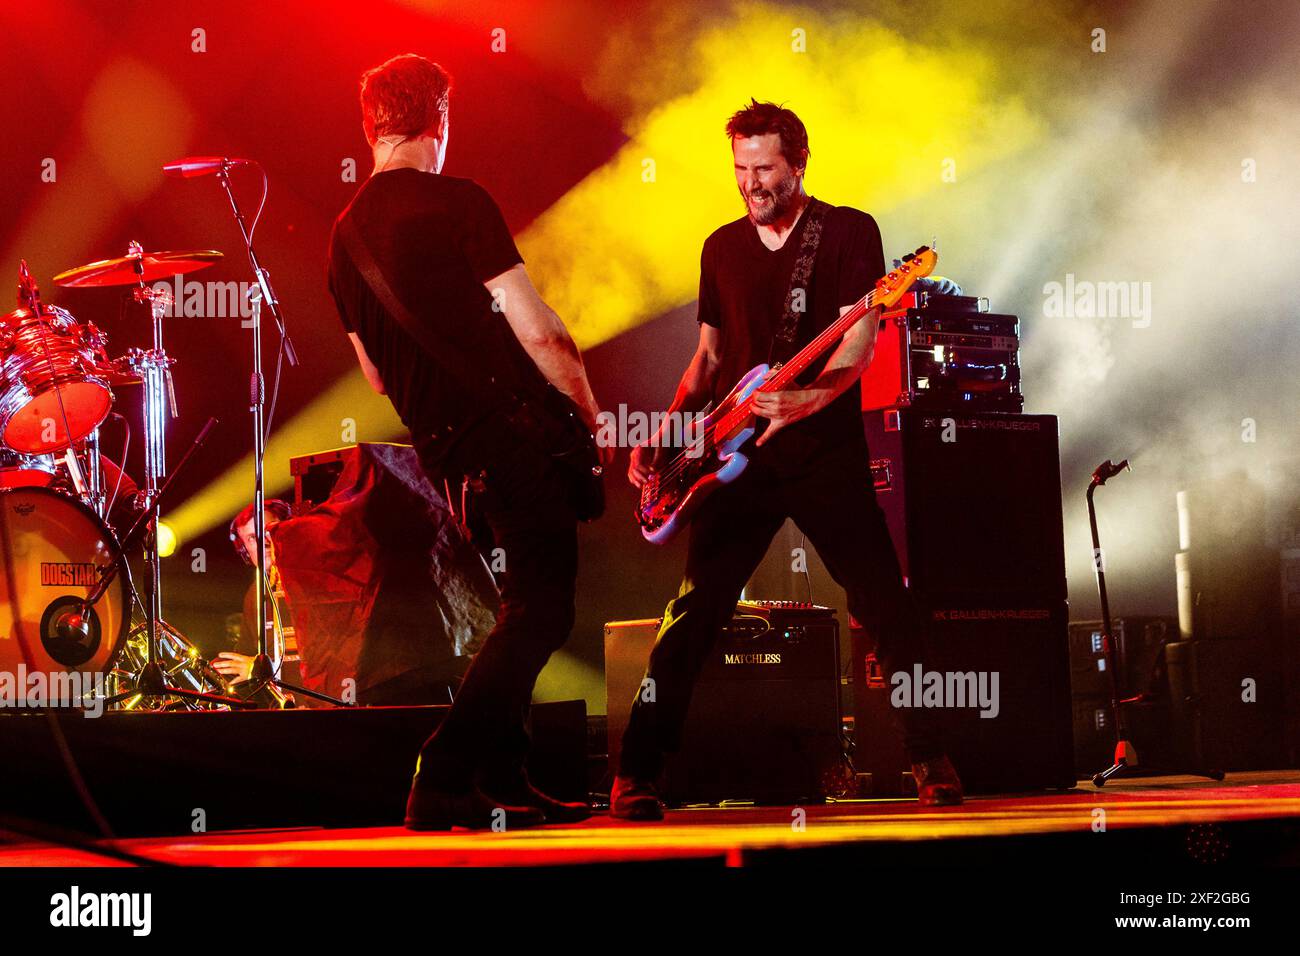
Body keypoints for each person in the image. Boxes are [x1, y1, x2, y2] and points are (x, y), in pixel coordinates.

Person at [611, 100, 964, 820]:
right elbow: (709, 358)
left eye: (765, 168)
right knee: (693, 612)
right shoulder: (720, 247)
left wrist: (815, 398)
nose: (751, 183)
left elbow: (857, 341)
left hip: (821, 450)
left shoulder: (847, 232)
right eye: (740, 168)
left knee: (882, 601)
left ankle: (930, 755)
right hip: (733, 457)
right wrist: (665, 431)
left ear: (798, 164)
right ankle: (636, 772)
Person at [327, 53, 612, 830]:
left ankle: (507, 781)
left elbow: (377, 380)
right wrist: (589, 413)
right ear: (440, 120)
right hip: (510, 438)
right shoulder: (458, 202)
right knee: (543, 612)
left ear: (370, 125)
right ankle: (445, 770)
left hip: (445, 457)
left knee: (515, 608)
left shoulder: (344, 237)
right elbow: (542, 333)